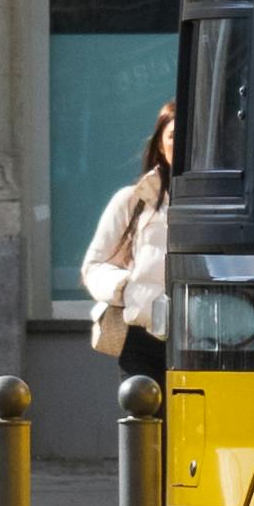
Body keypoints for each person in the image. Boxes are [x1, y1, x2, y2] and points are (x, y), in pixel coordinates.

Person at [82, 110, 175, 378]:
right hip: (141, 339)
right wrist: (126, 288)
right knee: (144, 419)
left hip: (204, 341)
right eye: (172, 136)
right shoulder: (132, 200)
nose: (179, 145)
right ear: (160, 143)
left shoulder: (221, 204)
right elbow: (94, 266)